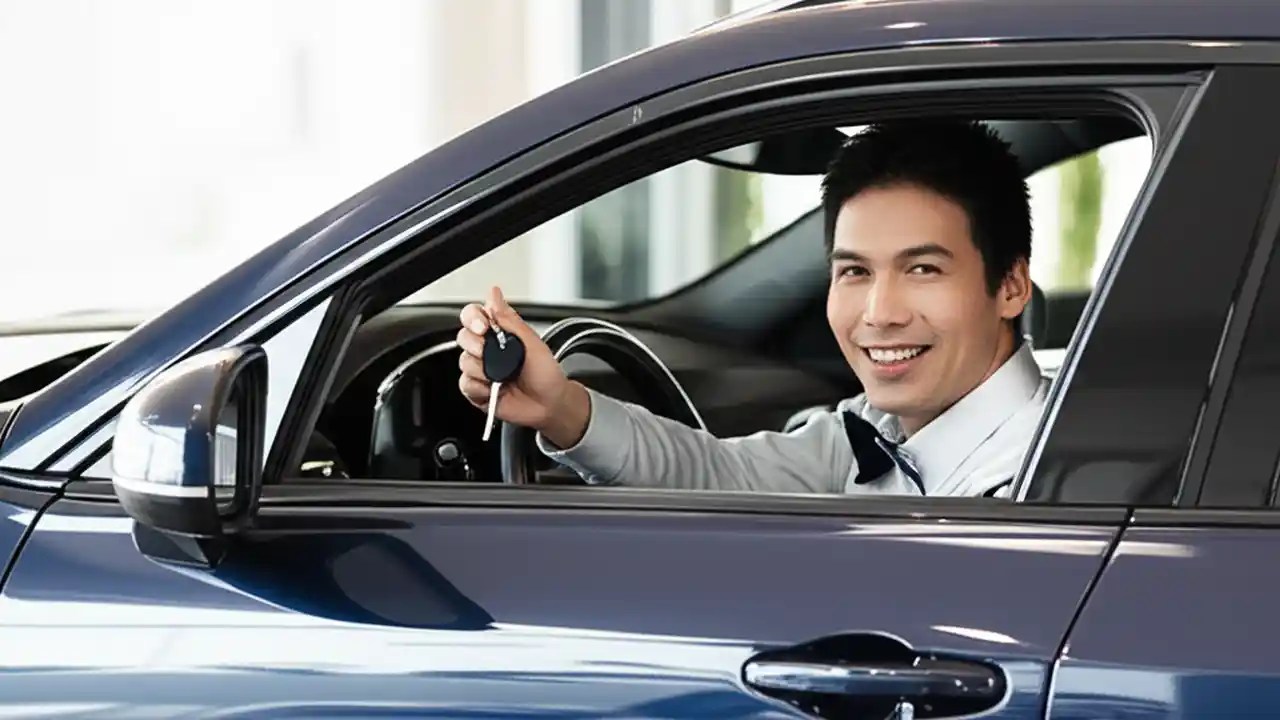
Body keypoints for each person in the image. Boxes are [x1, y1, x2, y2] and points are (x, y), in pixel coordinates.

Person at [457, 120, 1046, 498]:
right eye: (854, 271)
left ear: (1011, 286)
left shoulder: (1030, 483)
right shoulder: (877, 428)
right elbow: (722, 477)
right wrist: (561, 407)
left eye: (923, 269)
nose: (880, 311)